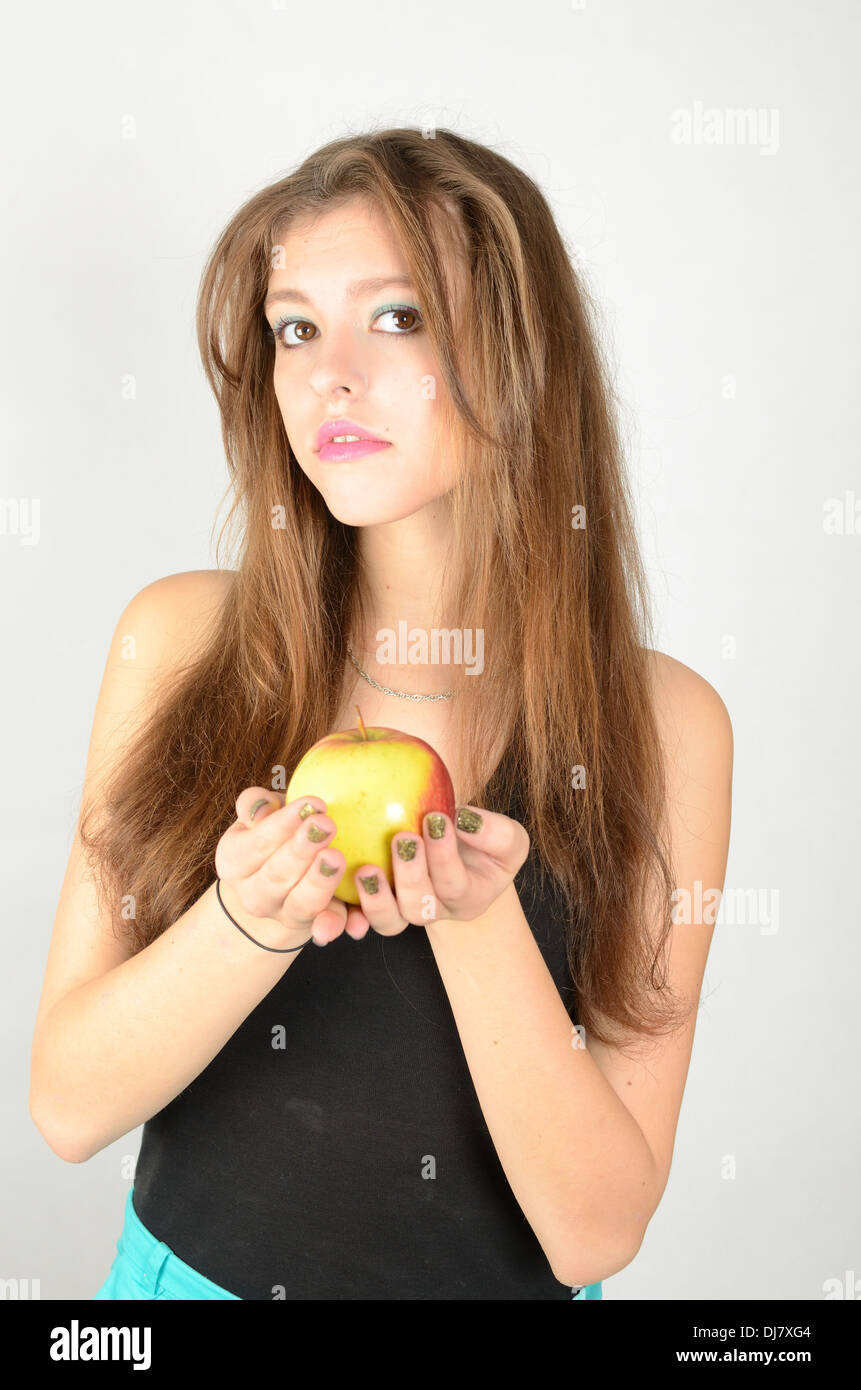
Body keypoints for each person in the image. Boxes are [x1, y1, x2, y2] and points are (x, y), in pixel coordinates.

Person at [29, 127, 733, 1301]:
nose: (327, 374)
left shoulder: (666, 727)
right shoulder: (179, 638)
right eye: (296, 326)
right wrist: (245, 921)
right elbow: (66, 1104)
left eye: (397, 316)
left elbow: (597, 1233)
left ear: (522, 355)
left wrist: (473, 919)